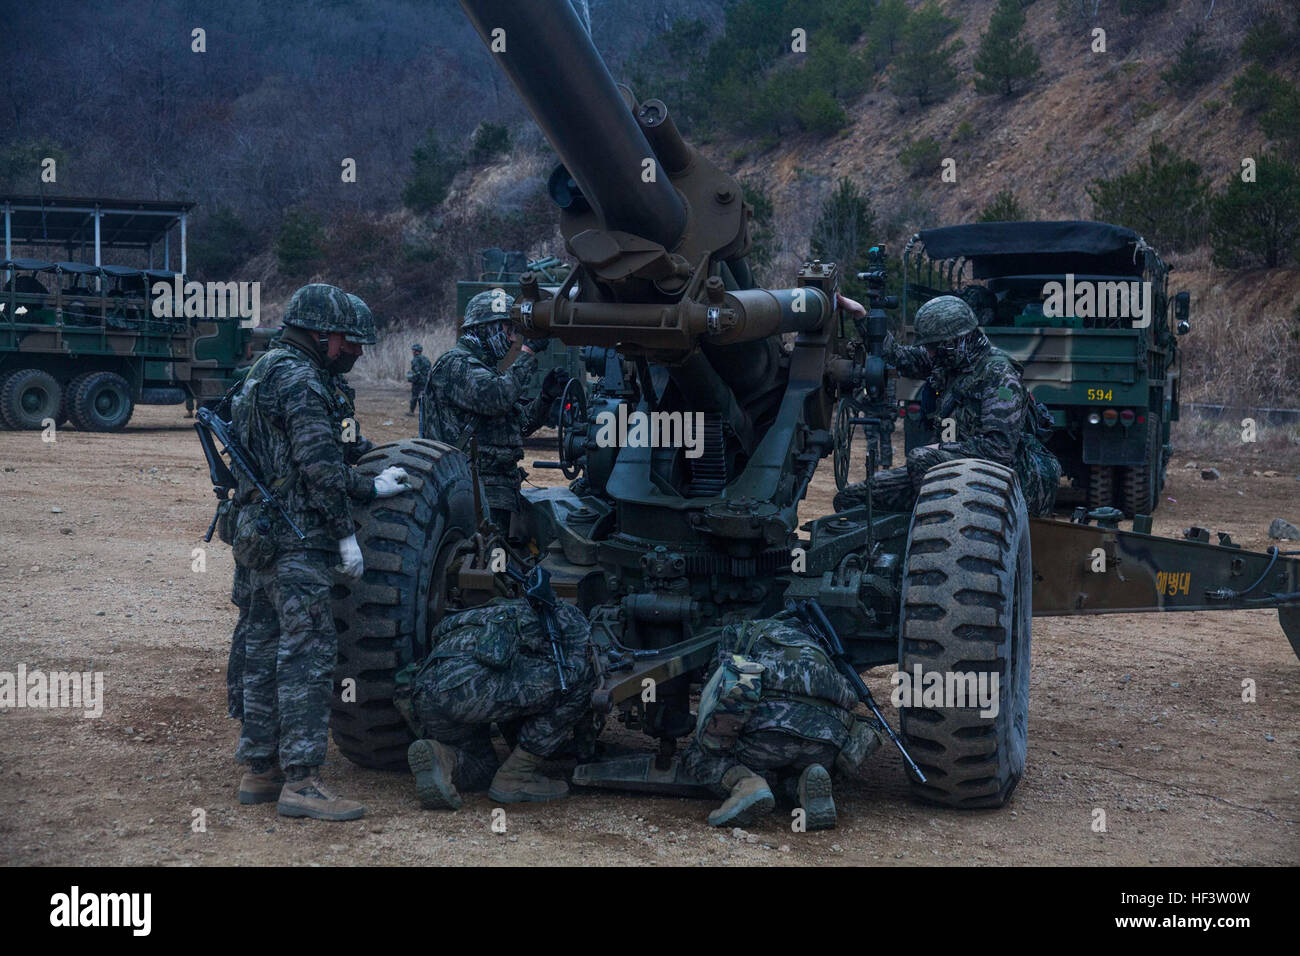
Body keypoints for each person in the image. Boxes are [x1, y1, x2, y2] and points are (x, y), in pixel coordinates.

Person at [230, 283, 413, 821]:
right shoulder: (304, 381)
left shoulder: (262, 371)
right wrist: (353, 518)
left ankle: (259, 770)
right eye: (345, 339)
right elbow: (320, 470)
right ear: (319, 333)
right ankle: (302, 782)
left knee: (261, 648)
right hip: (297, 539)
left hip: (256, 538)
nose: (351, 350)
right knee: (306, 656)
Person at [833, 294, 1060, 516]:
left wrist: (941, 449)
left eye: (935, 346)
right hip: (947, 469)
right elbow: (897, 355)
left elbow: (998, 450)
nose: (930, 353)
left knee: (921, 459)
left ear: (959, 339)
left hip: (994, 479)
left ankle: (942, 539)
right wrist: (861, 316)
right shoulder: (948, 360)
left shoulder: (999, 376)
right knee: (852, 499)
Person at [678, 612, 883, 830]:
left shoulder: (738, 632)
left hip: (765, 741)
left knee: (696, 755)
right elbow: (850, 700)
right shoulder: (819, 643)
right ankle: (803, 781)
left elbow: (719, 683)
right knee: (800, 758)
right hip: (825, 746)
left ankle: (745, 784)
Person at [396, 596, 597, 809]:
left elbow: (438, 633)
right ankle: (515, 777)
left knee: (483, 767)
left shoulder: (491, 609)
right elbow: (576, 678)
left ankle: (443, 756)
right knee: (580, 684)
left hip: (426, 690)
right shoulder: (576, 632)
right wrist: (586, 750)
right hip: (471, 693)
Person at [421, 290, 555, 535]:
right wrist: (527, 354)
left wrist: (545, 398)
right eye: (507, 329)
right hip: (471, 489)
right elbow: (496, 398)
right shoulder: (456, 364)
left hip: (493, 489)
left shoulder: (484, 369)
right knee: (482, 562)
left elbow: (520, 424)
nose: (513, 338)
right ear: (484, 328)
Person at [406, 344, 431, 416]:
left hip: (418, 382)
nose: (412, 352)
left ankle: (411, 412)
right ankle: (425, 413)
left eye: (413, 350)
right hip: (426, 381)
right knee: (424, 397)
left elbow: (416, 372)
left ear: (416, 351)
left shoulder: (415, 359)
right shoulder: (426, 359)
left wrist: (413, 379)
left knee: (414, 396)